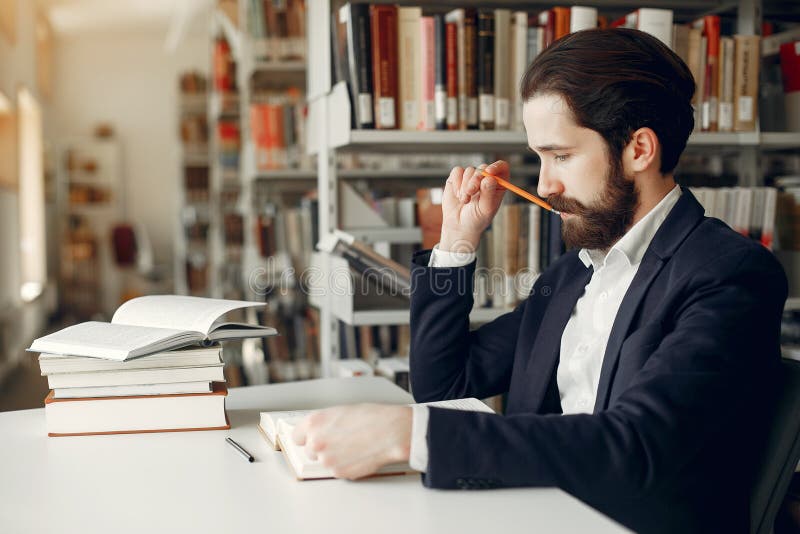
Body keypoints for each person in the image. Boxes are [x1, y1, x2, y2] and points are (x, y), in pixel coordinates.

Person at [291, 28, 787, 533]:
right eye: (540, 158)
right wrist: (458, 240)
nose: (545, 185)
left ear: (639, 149)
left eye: (562, 156)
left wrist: (410, 435)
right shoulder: (573, 272)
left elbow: (640, 446)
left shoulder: (729, 273)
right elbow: (444, 385)